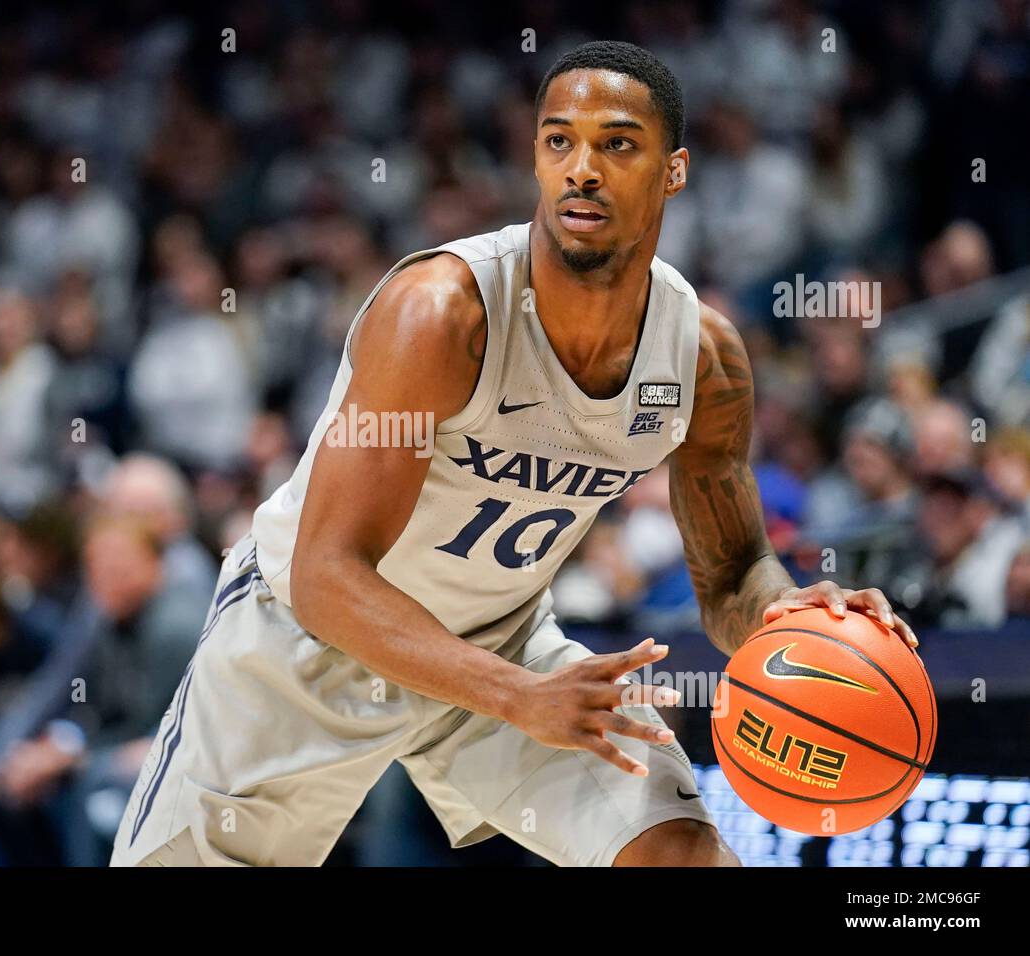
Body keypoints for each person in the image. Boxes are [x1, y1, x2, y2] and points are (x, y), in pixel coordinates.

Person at [112, 40, 918, 869]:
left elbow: (734, 571)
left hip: (501, 640)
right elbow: (326, 573)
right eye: (558, 140)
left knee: (677, 853)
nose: (582, 169)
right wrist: (517, 697)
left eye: (617, 143)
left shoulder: (702, 357)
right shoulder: (439, 315)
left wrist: (784, 616)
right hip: (305, 644)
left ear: (674, 172)